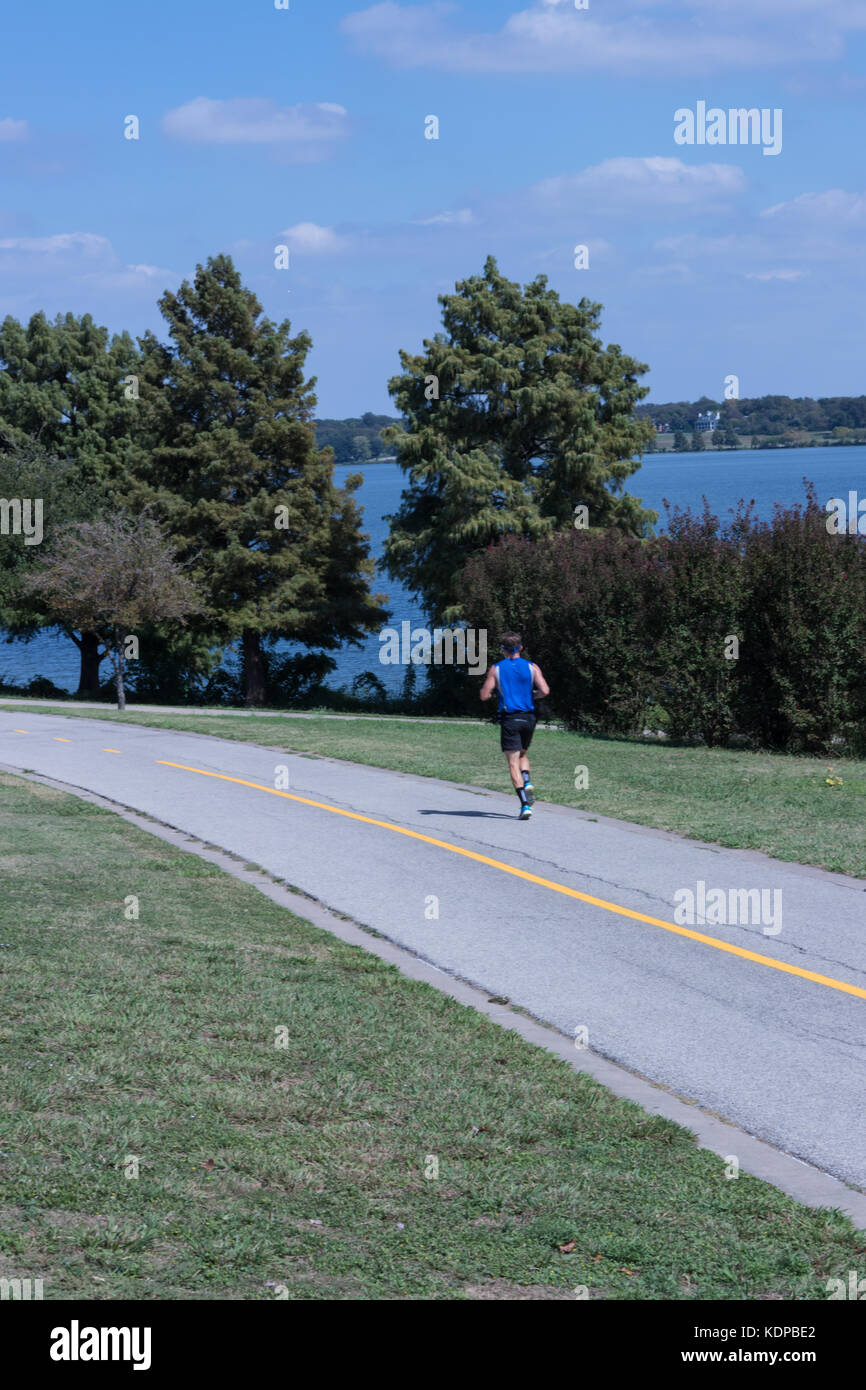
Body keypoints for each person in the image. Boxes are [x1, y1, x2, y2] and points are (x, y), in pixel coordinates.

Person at [480, 632, 550, 820]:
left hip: (510, 719)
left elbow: (484, 695)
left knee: (512, 762)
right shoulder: (532, 667)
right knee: (523, 754)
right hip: (529, 718)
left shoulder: (496, 669)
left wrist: (495, 694)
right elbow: (544, 690)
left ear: (502, 649)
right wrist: (530, 695)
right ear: (520, 647)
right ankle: (527, 781)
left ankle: (525, 805)